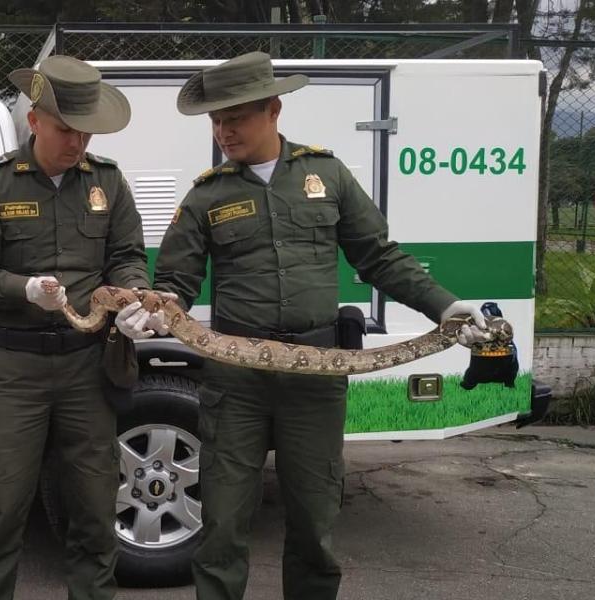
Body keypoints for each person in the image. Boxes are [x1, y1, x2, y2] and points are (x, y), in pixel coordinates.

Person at [137, 52, 492, 600]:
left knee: (314, 519)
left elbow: (379, 257)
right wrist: (157, 306)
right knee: (224, 522)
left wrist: (443, 307)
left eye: (237, 118)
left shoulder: (326, 175)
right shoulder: (207, 194)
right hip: (236, 379)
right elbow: (176, 281)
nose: (224, 131)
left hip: (315, 377)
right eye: (216, 120)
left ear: (273, 109)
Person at [0, 54, 151, 600]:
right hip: (16, 371)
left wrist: (132, 297)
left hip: (89, 364)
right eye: (66, 129)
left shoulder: (107, 183)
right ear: (35, 121)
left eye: (85, 132)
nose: (77, 143)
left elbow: (128, 256)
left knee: (92, 507)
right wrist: (24, 289)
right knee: (0, 506)